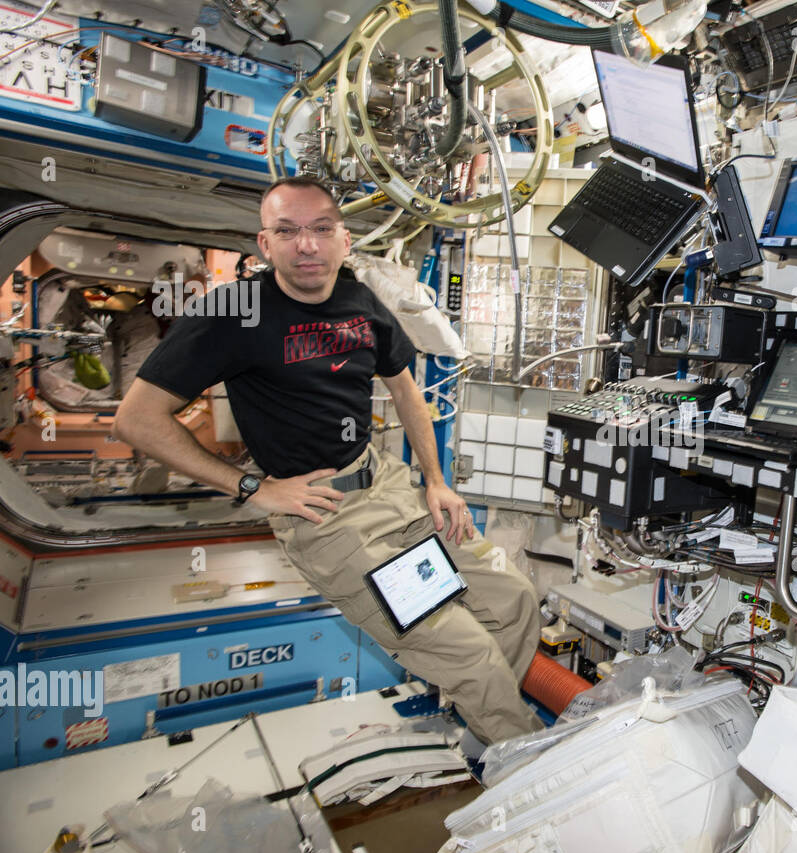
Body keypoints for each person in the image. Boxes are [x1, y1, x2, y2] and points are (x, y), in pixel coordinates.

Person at [113, 176, 545, 744]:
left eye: (320, 229)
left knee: (513, 601)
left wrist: (436, 482)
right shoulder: (233, 311)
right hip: (332, 521)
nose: (307, 245)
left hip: (391, 491)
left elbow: (406, 390)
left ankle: (484, 730)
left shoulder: (358, 298)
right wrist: (252, 488)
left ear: (344, 239)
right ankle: (523, 768)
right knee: (471, 655)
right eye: (287, 231)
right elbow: (136, 419)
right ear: (265, 245)